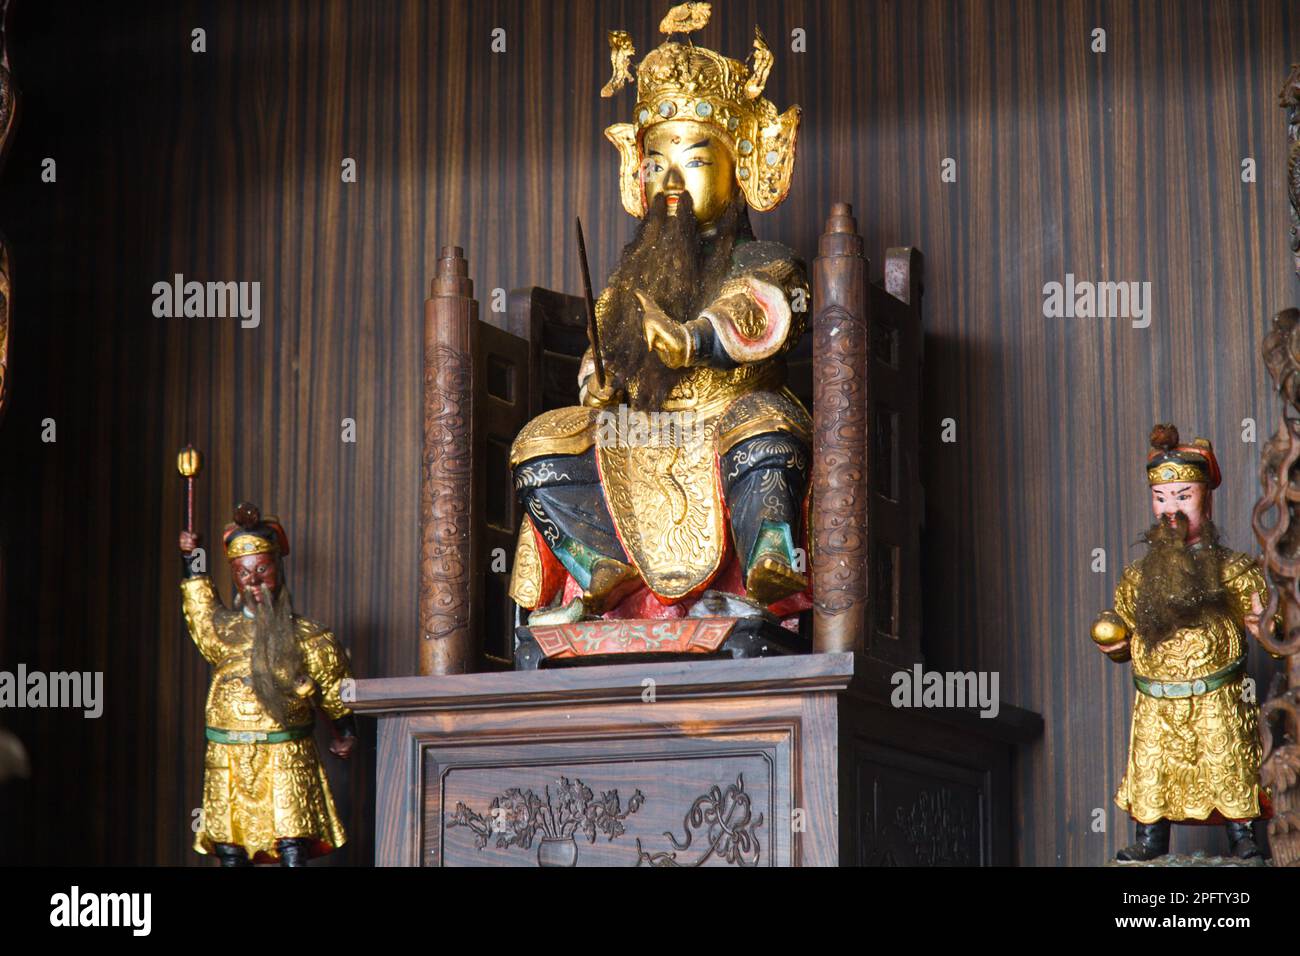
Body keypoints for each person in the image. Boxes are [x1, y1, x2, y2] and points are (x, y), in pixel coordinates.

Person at [1092, 424, 1272, 861]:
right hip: (1155, 699)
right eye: (1162, 498)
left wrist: (1266, 623)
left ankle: (1242, 835)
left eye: (1183, 496)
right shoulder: (1138, 576)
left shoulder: (1232, 568)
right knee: (1152, 767)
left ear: (1205, 499)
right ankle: (1151, 838)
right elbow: (1125, 628)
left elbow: (1271, 623)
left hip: (1217, 694)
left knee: (1227, 760)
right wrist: (1115, 641)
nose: (1170, 508)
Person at [179, 502, 356, 866]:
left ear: (278, 568)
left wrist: (345, 731)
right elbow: (199, 608)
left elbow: (334, 687)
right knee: (230, 845)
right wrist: (191, 557)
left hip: (285, 753)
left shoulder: (310, 638)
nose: (255, 582)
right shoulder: (222, 630)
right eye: (244, 573)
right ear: (234, 576)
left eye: (263, 570)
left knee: (292, 840)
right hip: (228, 752)